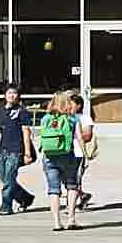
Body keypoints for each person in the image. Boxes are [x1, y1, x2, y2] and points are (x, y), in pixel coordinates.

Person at [35, 91, 81, 231]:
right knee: (72, 186)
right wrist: (85, 154)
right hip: (68, 155)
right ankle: (71, 219)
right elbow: (79, 138)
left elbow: (41, 135)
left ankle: (56, 222)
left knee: (53, 189)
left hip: (49, 156)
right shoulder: (72, 119)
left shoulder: (45, 119)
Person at [0, 83, 36, 216]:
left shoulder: (22, 111)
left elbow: (26, 131)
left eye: (14, 93)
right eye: (9, 93)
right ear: (5, 95)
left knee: (9, 178)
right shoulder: (1, 110)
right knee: (4, 177)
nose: (11, 95)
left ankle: (6, 205)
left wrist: (27, 153)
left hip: (16, 149)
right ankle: (25, 198)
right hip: (3, 148)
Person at [69, 91, 97, 211]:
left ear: (79, 105)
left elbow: (88, 135)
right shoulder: (66, 118)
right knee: (67, 179)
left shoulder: (85, 118)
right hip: (66, 151)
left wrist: (74, 135)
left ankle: (72, 206)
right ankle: (83, 195)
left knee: (76, 178)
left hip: (79, 151)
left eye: (72, 104)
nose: (69, 107)